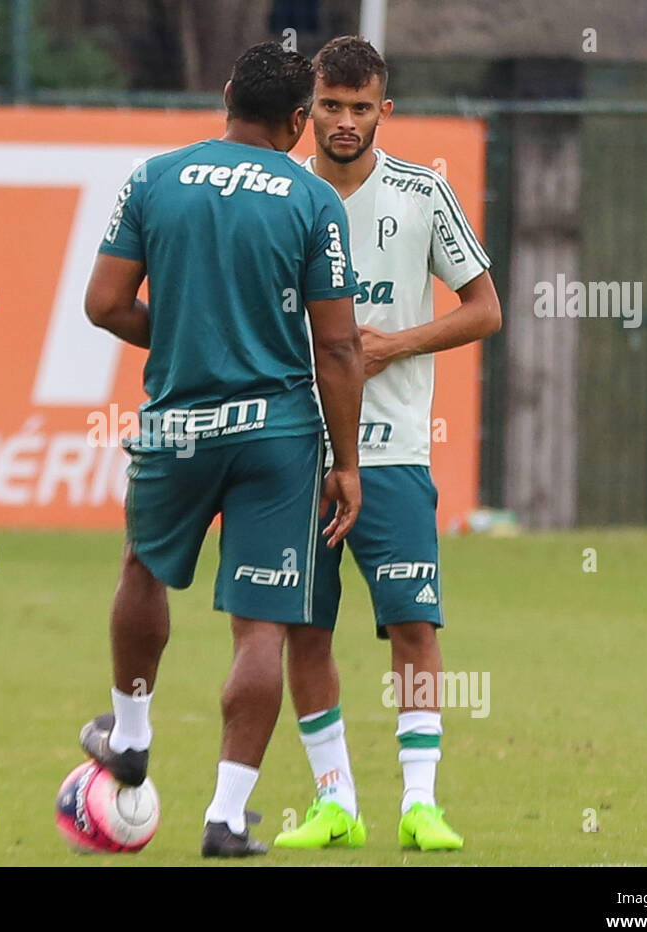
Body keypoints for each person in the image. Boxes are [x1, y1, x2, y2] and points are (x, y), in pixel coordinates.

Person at [78, 41, 364, 858]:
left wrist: (177, 334)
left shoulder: (155, 178)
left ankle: (130, 732)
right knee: (262, 627)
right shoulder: (314, 202)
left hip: (177, 422)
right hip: (277, 432)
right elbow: (337, 349)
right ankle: (227, 817)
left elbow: (104, 303)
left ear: (229, 94)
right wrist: (345, 464)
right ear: (300, 120)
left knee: (143, 567)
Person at [274, 35, 502, 852]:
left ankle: (420, 802)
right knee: (304, 625)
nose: (343, 122)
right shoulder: (282, 194)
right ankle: (335, 799)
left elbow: (485, 307)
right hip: (296, 448)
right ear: (309, 111)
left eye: (360, 108)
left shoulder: (423, 192)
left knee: (414, 626)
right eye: (330, 107)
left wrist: (392, 346)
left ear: (384, 111)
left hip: (395, 449)